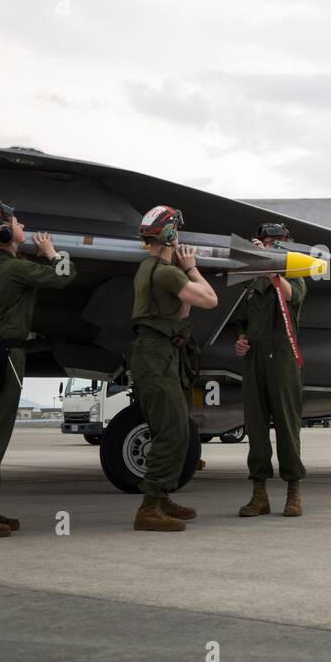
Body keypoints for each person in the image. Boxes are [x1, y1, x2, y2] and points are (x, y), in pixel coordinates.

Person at [0, 201, 75, 537]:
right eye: (17, 222)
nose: (23, 225)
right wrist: (52, 252)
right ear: (5, 232)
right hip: (5, 356)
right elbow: (64, 278)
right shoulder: (11, 268)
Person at [129, 205, 218, 532]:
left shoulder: (150, 268)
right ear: (168, 234)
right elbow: (210, 300)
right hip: (156, 357)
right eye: (176, 230)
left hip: (160, 355)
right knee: (171, 430)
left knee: (177, 427)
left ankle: (162, 496)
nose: (179, 236)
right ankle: (149, 507)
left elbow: (181, 314)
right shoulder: (166, 273)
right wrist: (193, 269)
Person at [232, 222, 308, 517]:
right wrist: (240, 341)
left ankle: (294, 491)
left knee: (288, 427)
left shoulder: (293, 274)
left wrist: (272, 266)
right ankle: (259, 494)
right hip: (255, 360)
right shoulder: (249, 282)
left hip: (283, 358)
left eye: (277, 242)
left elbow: (292, 297)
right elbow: (241, 321)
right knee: (256, 427)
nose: (272, 245)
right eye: (266, 241)